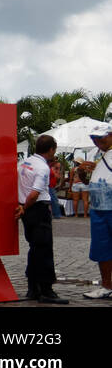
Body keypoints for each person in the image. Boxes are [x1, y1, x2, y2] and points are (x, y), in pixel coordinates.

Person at [17, 134, 67, 304]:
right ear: (51, 149)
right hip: (37, 208)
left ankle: (33, 288)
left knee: (34, 248)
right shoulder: (43, 168)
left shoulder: (24, 163)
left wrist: (22, 207)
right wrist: (26, 206)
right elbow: (34, 193)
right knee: (44, 249)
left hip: (27, 210)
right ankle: (46, 290)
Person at [82, 123, 112, 299]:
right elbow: (88, 183)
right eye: (93, 138)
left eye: (100, 137)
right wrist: (85, 173)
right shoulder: (100, 155)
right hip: (98, 209)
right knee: (101, 249)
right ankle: (107, 286)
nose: (97, 141)